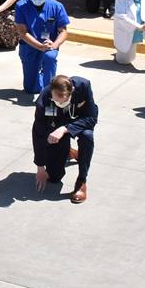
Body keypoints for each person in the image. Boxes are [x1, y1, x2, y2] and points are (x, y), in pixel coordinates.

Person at [32, 74, 97, 203]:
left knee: (87, 136)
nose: (59, 103)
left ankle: (81, 181)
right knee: (54, 177)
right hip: (56, 123)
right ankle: (69, 151)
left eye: (63, 101)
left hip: (79, 122)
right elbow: (39, 133)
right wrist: (40, 166)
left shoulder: (83, 86)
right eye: (56, 100)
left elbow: (91, 118)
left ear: (71, 92)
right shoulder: (45, 99)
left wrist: (65, 129)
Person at [15, 0, 69, 96]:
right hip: (29, 45)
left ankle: (49, 91)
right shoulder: (21, 6)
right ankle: (40, 77)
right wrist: (39, 46)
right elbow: (22, 32)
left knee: (49, 58)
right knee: (30, 88)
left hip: (49, 45)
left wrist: (54, 45)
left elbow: (63, 31)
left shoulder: (57, 6)